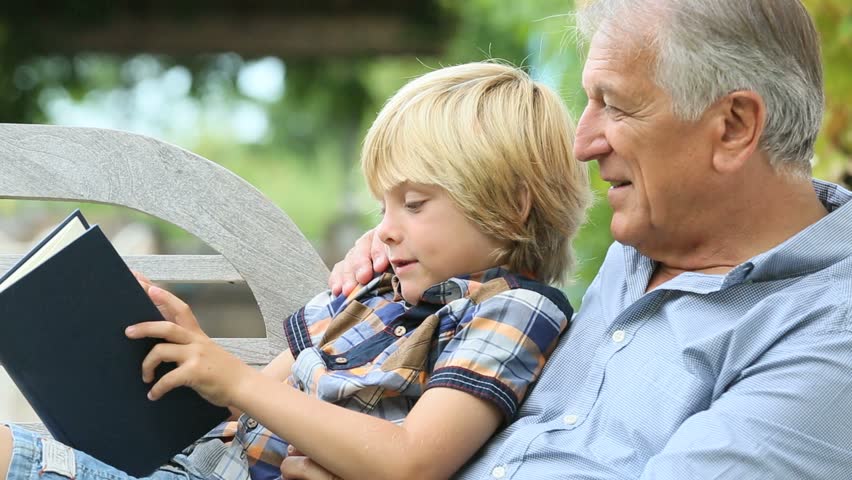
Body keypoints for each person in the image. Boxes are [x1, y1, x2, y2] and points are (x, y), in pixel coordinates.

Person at [288, 0, 852, 478]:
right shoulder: (651, 245)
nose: (584, 143)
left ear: (732, 127)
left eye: (616, 105)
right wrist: (400, 253)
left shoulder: (828, 334)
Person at [0, 61, 591, 480]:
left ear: (513, 205)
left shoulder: (512, 308)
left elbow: (412, 459)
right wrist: (195, 351)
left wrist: (234, 379)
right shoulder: (373, 289)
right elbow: (250, 403)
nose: (384, 228)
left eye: (414, 204)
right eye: (382, 205)